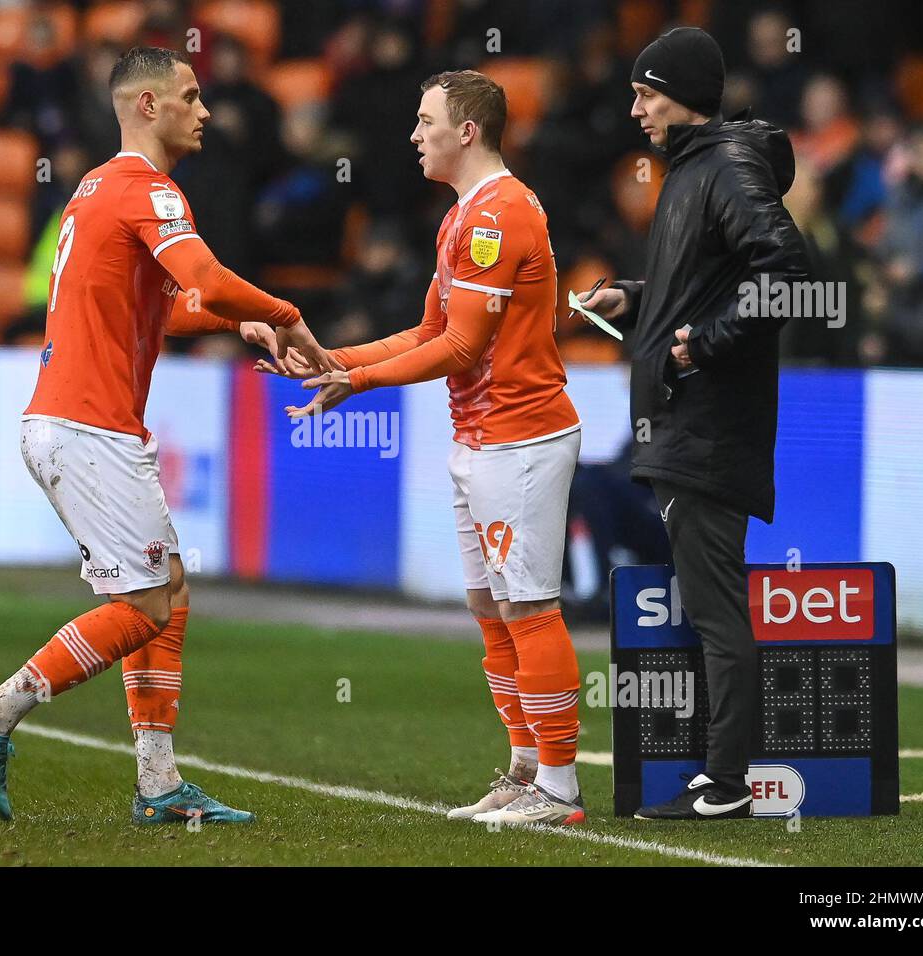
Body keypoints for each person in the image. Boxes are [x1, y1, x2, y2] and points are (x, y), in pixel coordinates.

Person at [0, 47, 333, 825]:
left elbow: (163, 304)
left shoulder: (95, 188)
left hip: (73, 421)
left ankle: (157, 784)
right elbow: (209, 277)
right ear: (148, 106)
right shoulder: (146, 190)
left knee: (168, 592)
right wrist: (284, 313)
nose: (206, 111)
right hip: (88, 427)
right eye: (191, 96)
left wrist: (242, 321)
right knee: (148, 604)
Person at [264, 70, 586, 827]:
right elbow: (425, 331)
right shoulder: (460, 216)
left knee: (529, 606)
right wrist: (334, 360)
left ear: (466, 130)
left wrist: (360, 383)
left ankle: (561, 788)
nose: (414, 135)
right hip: (481, 437)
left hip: (521, 437)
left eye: (425, 120)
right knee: (491, 605)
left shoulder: (496, 214)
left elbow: (463, 345)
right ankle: (524, 768)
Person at [580, 27, 809, 820]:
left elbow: (789, 275)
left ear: (682, 95)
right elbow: (708, 281)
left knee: (716, 613)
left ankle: (727, 786)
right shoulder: (696, 168)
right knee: (712, 609)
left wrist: (700, 346)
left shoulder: (724, 165)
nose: (635, 107)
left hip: (708, 427)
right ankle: (724, 777)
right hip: (688, 424)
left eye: (647, 92)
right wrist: (639, 299)